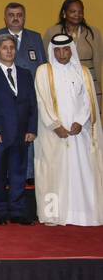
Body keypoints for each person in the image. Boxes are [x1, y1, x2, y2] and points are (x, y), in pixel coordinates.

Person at [33, 35, 103, 226]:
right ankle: (53, 215)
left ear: (71, 50)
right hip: (53, 133)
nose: (62, 54)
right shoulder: (43, 71)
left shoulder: (83, 72)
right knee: (52, 173)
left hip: (79, 133)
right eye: (57, 50)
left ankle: (83, 213)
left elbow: (88, 100)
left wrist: (80, 121)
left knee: (81, 172)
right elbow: (42, 100)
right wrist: (56, 126)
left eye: (65, 50)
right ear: (52, 51)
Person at [0, 33, 38, 225]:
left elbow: (32, 104)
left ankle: (18, 211)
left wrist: (32, 128)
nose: (9, 51)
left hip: (22, 134)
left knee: (18, 173)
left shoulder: (25, 73)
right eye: (5, 48)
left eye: (12, 47)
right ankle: (0, 212)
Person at [45, 0, 100, 114]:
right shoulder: (52, 32)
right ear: (64, 13)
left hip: (90, 83)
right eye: (73, 11)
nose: (77, 15)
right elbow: (47, 60)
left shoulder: (93, 33)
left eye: (80, 12)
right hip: (63, 85)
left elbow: (100, 62)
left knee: (91, 120)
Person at [0, 2, 46, 74]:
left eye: (19, 15)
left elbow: (43, 65)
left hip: (31, 82)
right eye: (11, 15)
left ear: (24, 18)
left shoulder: (35, 37)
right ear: (5, 19)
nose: (15, 18)